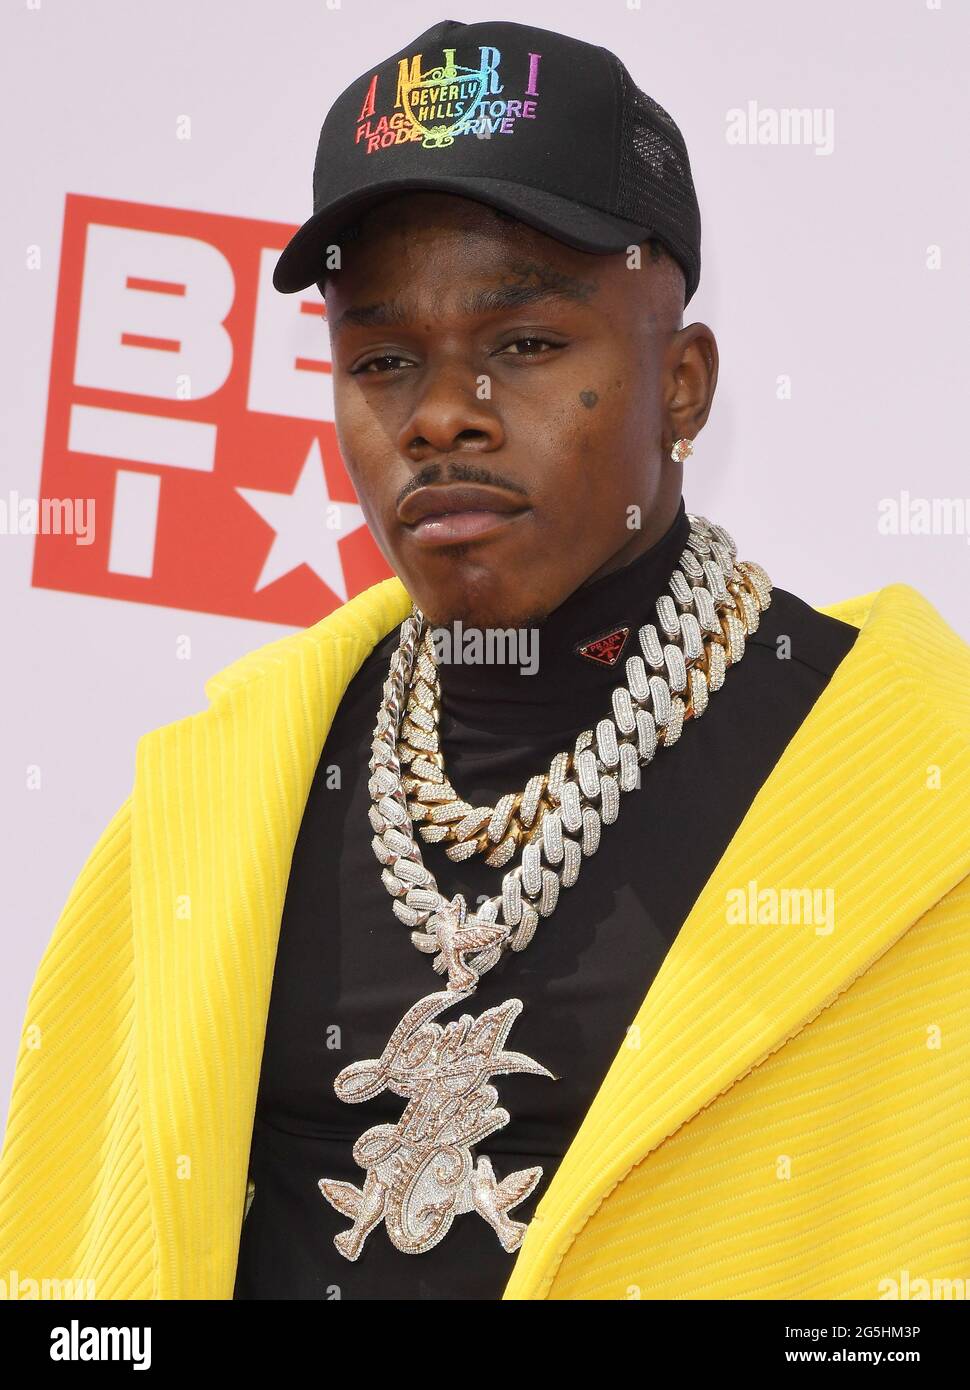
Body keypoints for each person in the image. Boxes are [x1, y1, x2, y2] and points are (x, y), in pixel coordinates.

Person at [2, 18, 967, 1302]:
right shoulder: (219, 802)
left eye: (523, 345)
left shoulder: (906, 791)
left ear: (681, 385)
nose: (439, 412)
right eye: (382, 358)